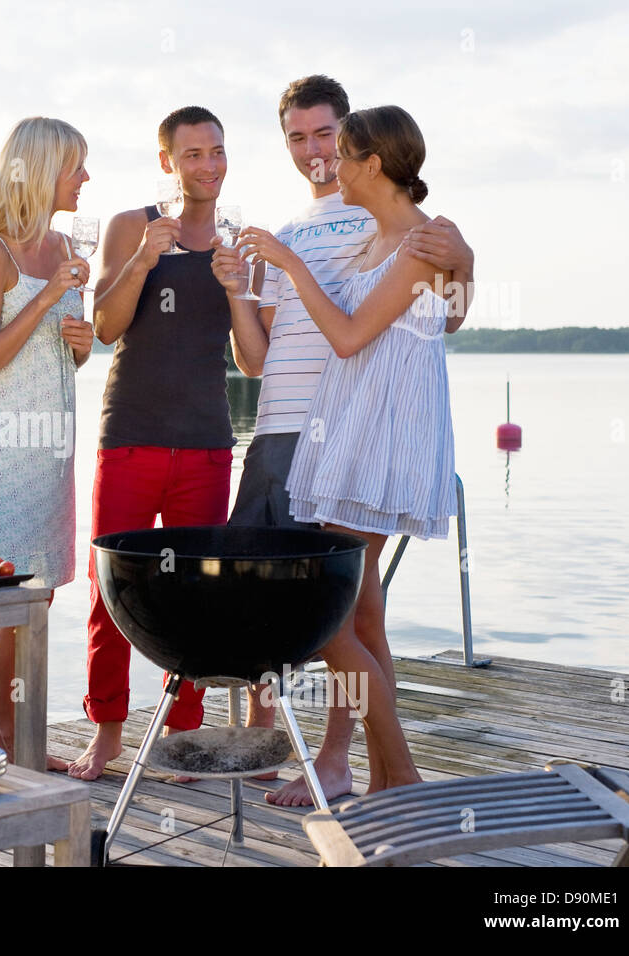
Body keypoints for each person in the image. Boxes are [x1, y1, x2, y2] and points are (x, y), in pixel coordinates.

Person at [212, 76, 474, 806]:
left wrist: (468, 265)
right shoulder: (331, 235)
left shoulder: (404, 231)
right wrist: (244, 283)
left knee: (331, 614)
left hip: (366, 437)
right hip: (313, 435)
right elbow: (263, 355)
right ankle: (390, 774)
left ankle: (374, 766)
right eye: (298, 138)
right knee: (331, 612)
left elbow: (404, 325)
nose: (319, 155)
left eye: (333, 139)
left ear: (366, 154)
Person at [67, 106, 237, 781]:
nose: (208, 166)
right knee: (112, 590)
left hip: (207, 445)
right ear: (167, 161)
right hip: (131, 436)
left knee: (195, 595)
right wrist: (143, 258)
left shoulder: (234, 243)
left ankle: (183, 737)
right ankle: (107, 734)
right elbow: (105, 326)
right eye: (193, 154)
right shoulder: (130, 225)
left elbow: (251, 349)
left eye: (218, 152)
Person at [0, 117, 96, 771]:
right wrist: (49, 302)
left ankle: (17, 741)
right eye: (75, 167)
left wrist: (82, 349)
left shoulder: (64, 247)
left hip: (47, 457)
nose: (86, 178)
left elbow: (56, 360)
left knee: (30, 603)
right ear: (38, 171)